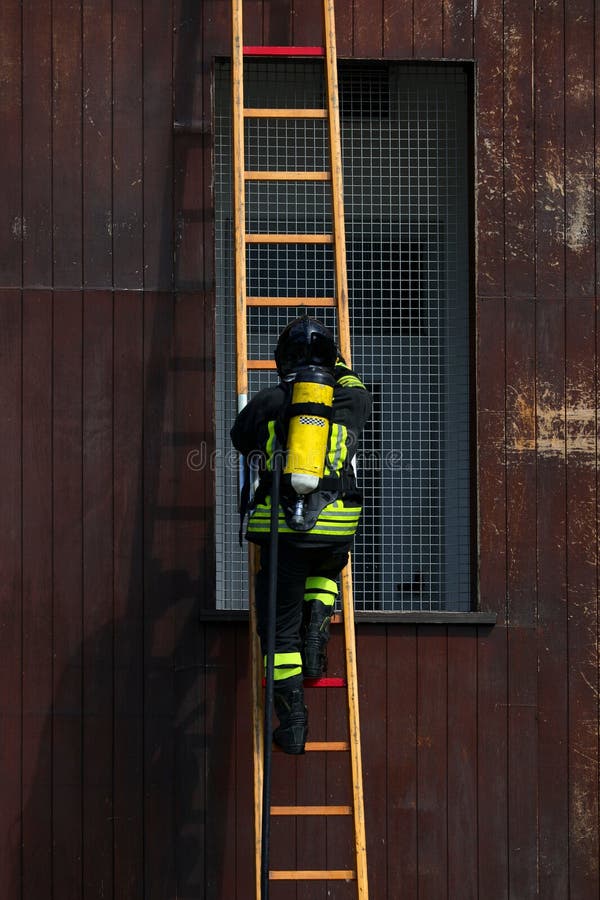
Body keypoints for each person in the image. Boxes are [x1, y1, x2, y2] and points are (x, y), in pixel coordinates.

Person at [231, 316, 371, 754]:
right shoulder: (352, 399)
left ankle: (292, 724)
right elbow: (351, 378)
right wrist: (336, 361)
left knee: (279, 632)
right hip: (337, 530)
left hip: (284, 533)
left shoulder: (270, 400)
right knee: (326, 563)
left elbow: (239, 439)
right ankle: (319, 633)